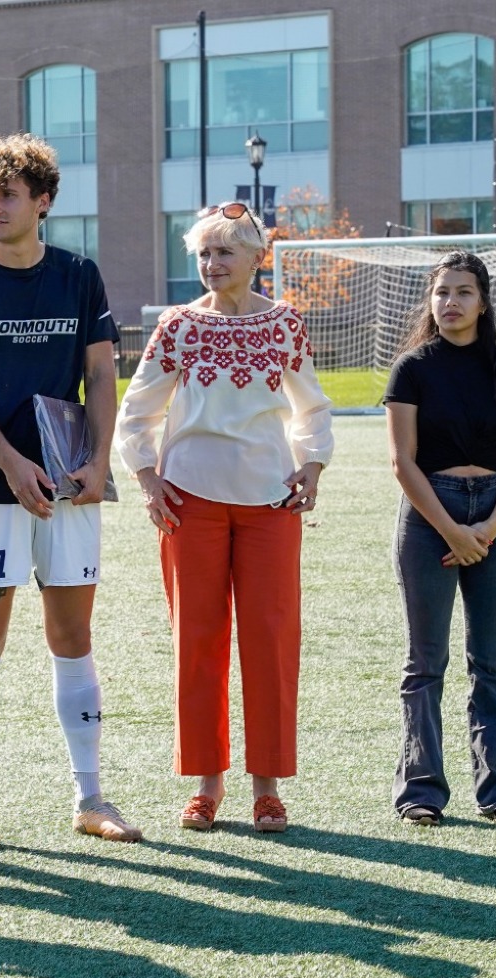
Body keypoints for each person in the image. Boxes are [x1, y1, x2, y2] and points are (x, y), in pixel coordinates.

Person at [0, 132, 139, 850]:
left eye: (7, 195)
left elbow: (105, 378)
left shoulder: (80, 275)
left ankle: (90, 797)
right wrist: (14, 463)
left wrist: (98, 460)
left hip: (70, 486)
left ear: (42, 201)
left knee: (73, 637)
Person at [116, 202, 331, 832]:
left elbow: (312, 408)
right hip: (189, 503)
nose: (211, 264)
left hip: (270, 502)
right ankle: (206, 786)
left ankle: (267, 787)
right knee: (198, 644)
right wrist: (149, 477)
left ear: (256, 258)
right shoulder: (177, 327)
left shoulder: (286, 324)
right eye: (204, 253)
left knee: (270, 642)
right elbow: (137, 413)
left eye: (224, 252)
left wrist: (312, 466)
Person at [383, 251, 496, 826]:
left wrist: (490, 528)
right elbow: (402, 462)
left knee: (490, 662)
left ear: (484, 301)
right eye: (442, 291)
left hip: (494, 512)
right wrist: (452, 530)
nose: (451, 302)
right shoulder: (412, 369)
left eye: (464, 292)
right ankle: (420, 790)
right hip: (430, 517)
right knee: (425, 662)